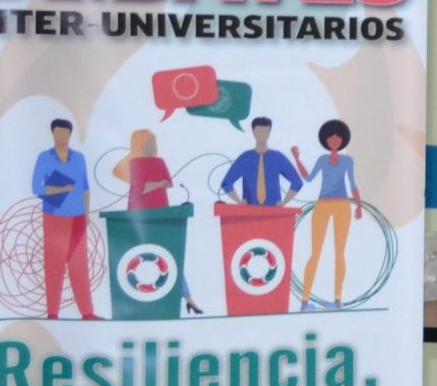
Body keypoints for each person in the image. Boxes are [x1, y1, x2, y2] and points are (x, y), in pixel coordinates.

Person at [121, 127, 202, 315]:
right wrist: (156, 184)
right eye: (149, 142)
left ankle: (187, 298)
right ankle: (146, 303)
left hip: (162, 213)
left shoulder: (159, 161)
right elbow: (142, 188)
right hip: (139, 216)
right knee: (142, 258)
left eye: (154, 142)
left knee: (171, 258)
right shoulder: (134, 163)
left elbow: (168, 183)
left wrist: (154, 184)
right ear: (140, 145)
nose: (152, 146)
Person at [32, 118, 97, 319]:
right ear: (53, 134)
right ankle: (52, 313)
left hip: (78, 216)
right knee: (54, 265)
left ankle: (87, 312)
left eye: (65, 133)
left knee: (79, 264)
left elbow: (85, 186)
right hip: (54, 216)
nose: (61, 136)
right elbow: (36, 188)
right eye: (58, 133)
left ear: (70, 134)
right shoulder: (45, 157)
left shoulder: (79, 158)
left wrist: (87, 213)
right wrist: (61, 189)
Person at [298, 119, 362, 307]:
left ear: (342, 140)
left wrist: (358, 206)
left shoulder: (347, 161)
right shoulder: (322, 160)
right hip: (323, 205)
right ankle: (304, 301)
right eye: (331, 138)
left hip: (342, 205)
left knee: (339, 253)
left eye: (337, 138)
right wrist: (297, 158)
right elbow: (308, 178)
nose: (334, 141)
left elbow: (353, 185)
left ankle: (337, 300)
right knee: (315, 253)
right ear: (325, 140)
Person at [220, 117, 302, 207]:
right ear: (253, 132)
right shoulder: (245, 158)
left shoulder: (277, 157)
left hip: (274, 212)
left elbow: (297, 182)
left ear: (269, 133)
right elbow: (226, 183)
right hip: (249, 211)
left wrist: (284, 202)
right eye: (259, 132)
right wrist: (239, 201)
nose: (262, 135)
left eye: (265, 132)